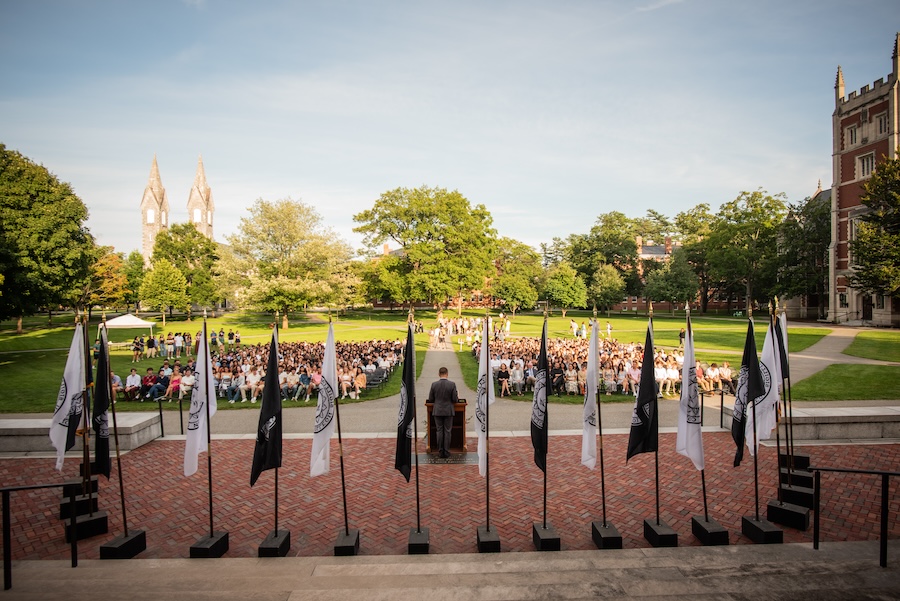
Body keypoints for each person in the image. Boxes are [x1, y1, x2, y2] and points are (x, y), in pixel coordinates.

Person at [427, 366, 459, 458]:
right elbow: (454, 399)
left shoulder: (434, 384)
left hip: (437, 410)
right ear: (447, 374)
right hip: (448, 410)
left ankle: (440, 451)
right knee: (447, 431)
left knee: (439, 431)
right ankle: (447, 451)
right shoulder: (452, 384)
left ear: (439, 374)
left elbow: (431, 399)